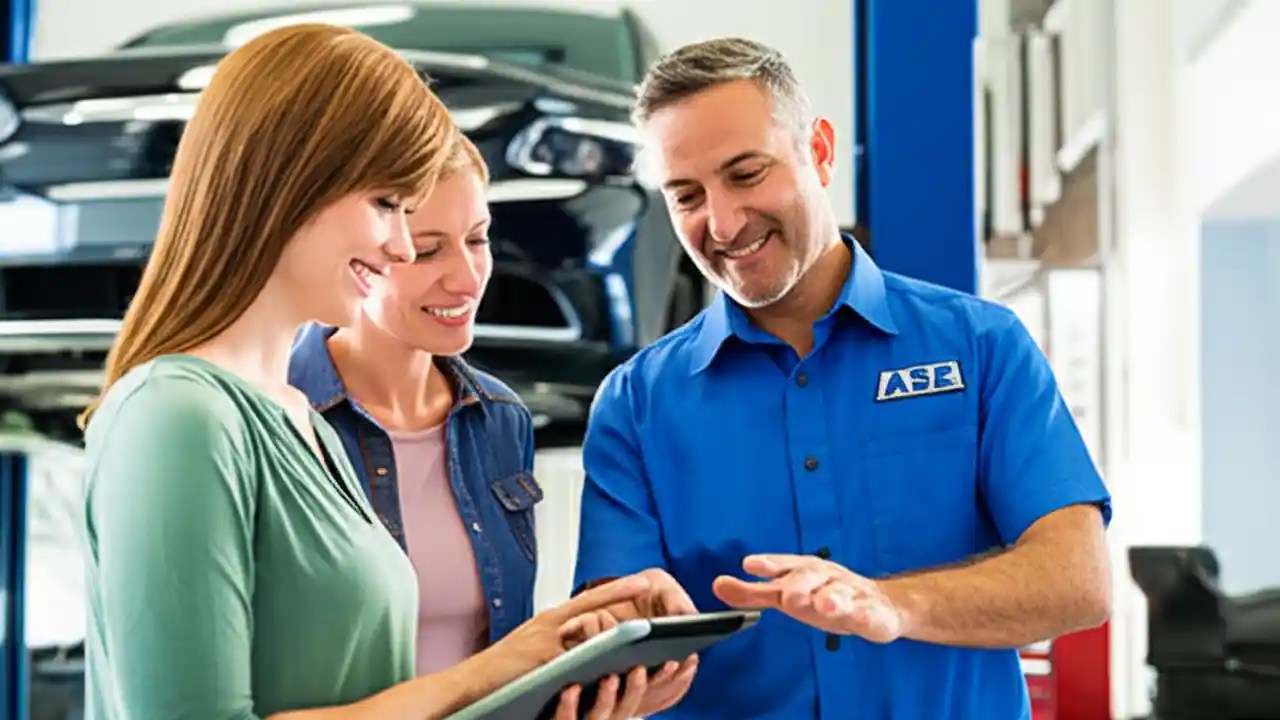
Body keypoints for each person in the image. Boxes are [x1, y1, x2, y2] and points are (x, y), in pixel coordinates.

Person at [78, 23, 665, 720]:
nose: (395, 245)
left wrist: (551, 669)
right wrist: (493, 672)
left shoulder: (303, 425)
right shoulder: (175, 416)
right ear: (289, 182)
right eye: (386, 205)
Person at [572, 37, 1113, 719]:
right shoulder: (637, 405)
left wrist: (891, 603)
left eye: (745, 173)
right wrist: (617, 644)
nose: (723, 222)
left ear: (820, 152)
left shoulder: (980, 348)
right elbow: (614, 641)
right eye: (687, 195)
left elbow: (1078, 581)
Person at [287, 126, 696, 718]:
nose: (467, 277)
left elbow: (500, 665)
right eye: (428, 250)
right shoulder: (275, 415)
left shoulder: (498, 419)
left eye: (476, 240)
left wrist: (598, 671)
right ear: (358, 250)